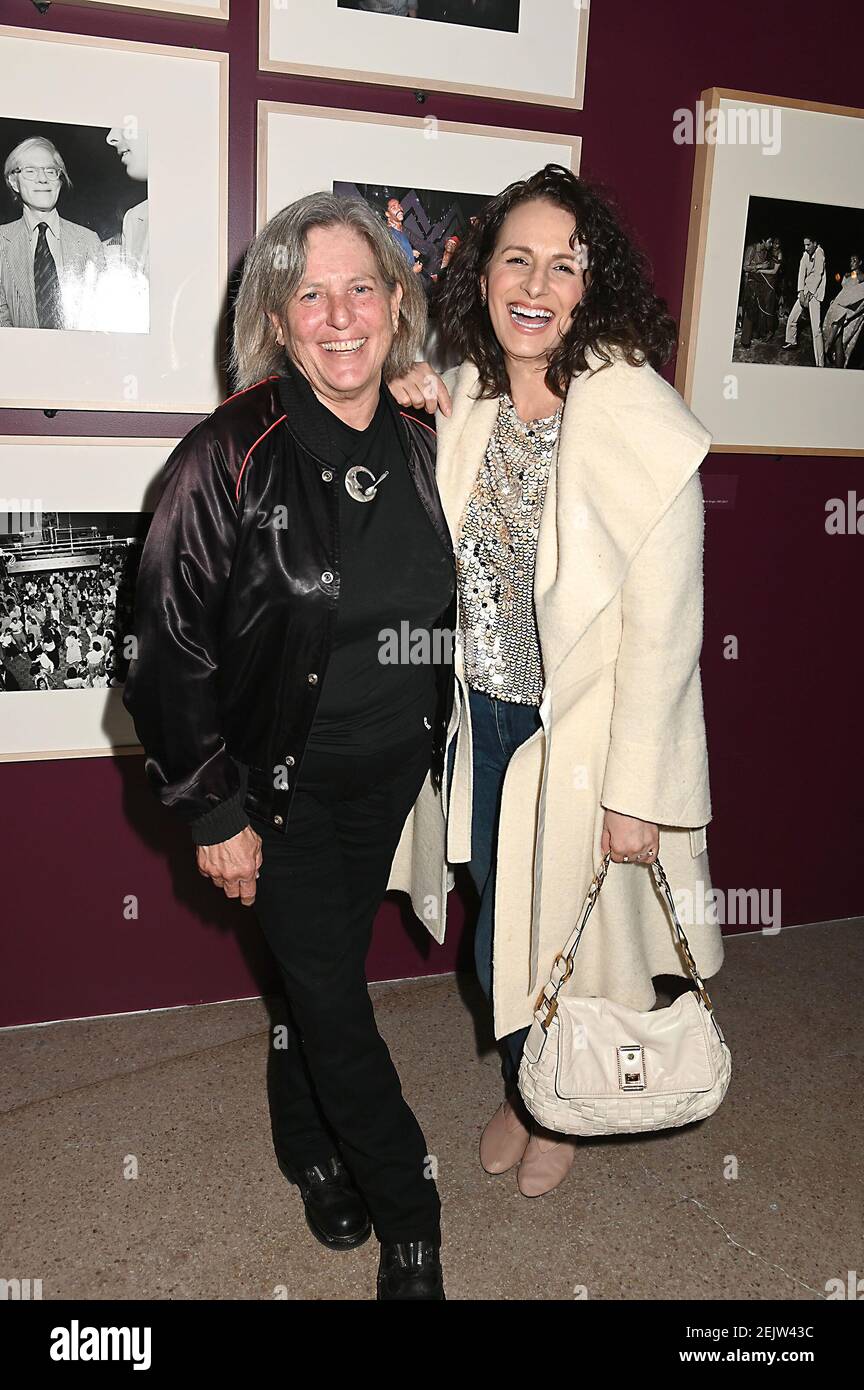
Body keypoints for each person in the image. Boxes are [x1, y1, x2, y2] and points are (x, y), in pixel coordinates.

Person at [122, 191, 456, 1301]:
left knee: (316, 985)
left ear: (397, 300)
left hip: (391, 779)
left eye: (362, 286)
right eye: (310, 293)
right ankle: (413, 1219)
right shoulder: (227, 456)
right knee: (333, 996)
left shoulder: (425, 437)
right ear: (275, 318)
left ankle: (303, 1137)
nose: (341, 314)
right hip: (278, 792)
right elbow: (161, 645)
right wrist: (214, 809)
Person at [387, 164, 724, 1197]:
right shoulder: (475, 394)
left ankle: (560, 1104)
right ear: (483, 277)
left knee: (571, 937)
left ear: (595, 282)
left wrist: (639, 792)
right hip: (484, 719)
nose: (536, 283)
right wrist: (412, 403)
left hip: (581, 736)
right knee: (501, 924)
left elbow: (667, 631)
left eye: (563, 264)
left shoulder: (634, 412)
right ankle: (530, 1083)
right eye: (515, 259)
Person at [0, 137, 105, 330]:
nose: (43, 178)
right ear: (14, 182)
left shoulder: (89, 241)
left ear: (59, 181)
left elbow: (101, 316)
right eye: (30, 171)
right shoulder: (1, 243)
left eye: (50, 171)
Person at [783, 235, 826, 365]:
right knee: (792, 318)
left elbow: (818, 276)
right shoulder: (805, 254)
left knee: (816, 329)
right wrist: (801, 292)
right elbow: (801, 273)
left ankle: (820, 363)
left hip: (816, 293)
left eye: (808, 245)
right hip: (806, 289)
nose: (806, 248)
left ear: (815, 243)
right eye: (804, 245)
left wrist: (808, 296)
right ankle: (791, 341)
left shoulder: (820, 253)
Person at [823, 252, 864, 367]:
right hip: (839, 306)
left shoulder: (859, 275)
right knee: (838, 341)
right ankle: (837, 367)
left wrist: (852, 275)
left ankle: (828, 352)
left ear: (860, 262)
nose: (852, 262)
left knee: (834, 339)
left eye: (855, 260)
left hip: (846, 309)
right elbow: (843, 289)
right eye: (851, 260)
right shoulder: (850, 274)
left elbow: (856, 288)